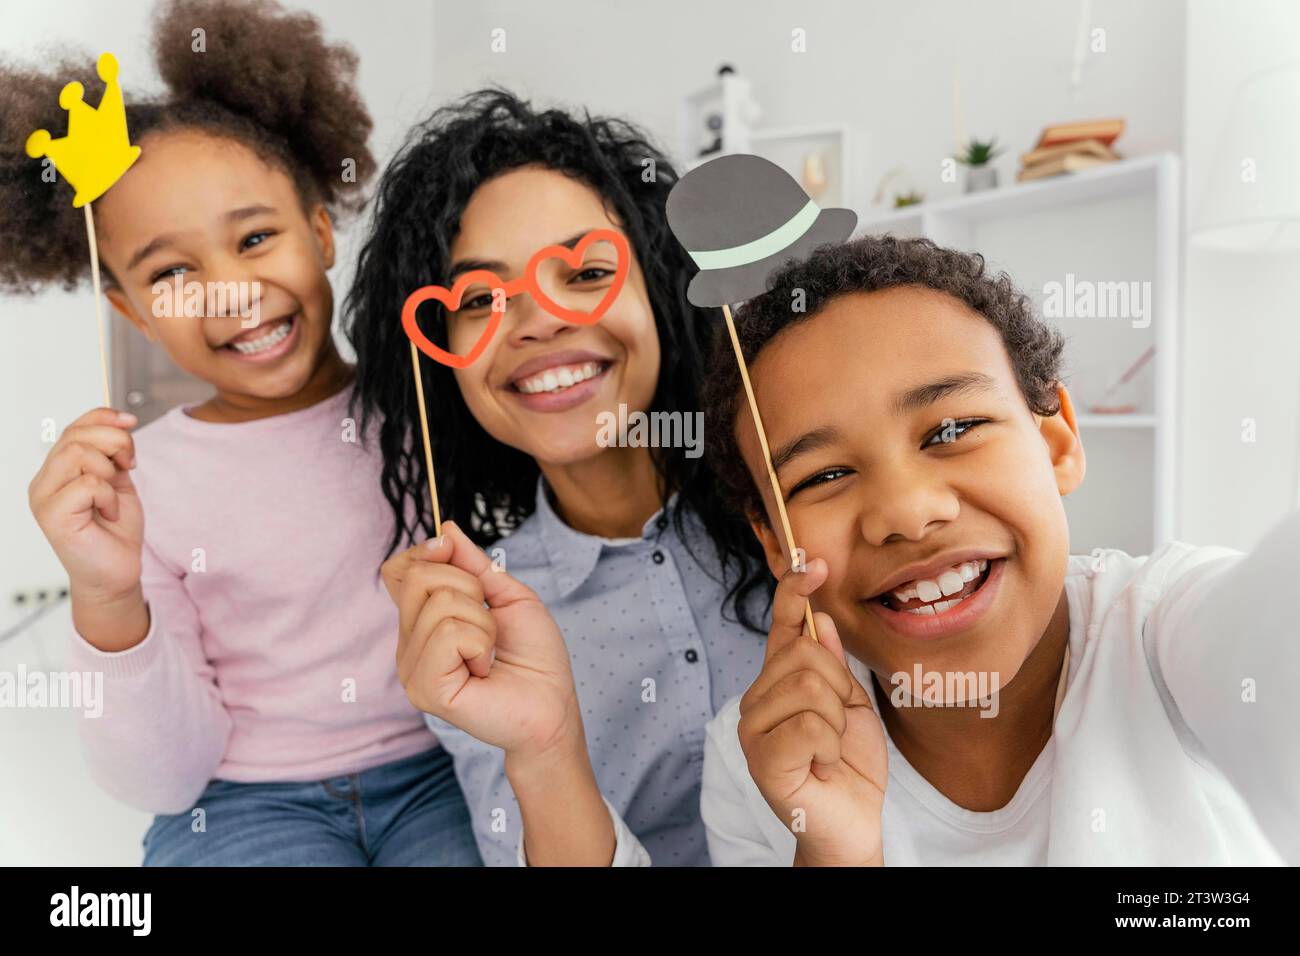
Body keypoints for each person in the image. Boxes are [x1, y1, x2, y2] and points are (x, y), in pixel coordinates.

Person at [8, 0, 480, 866]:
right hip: (240, 806)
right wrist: (109, 598)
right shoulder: (135, 489)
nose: (228, 289)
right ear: (131, 311)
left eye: (256, 237)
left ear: (322, 230)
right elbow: (162, 782)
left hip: (447, 773)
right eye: (173, 271)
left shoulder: (431, 408)